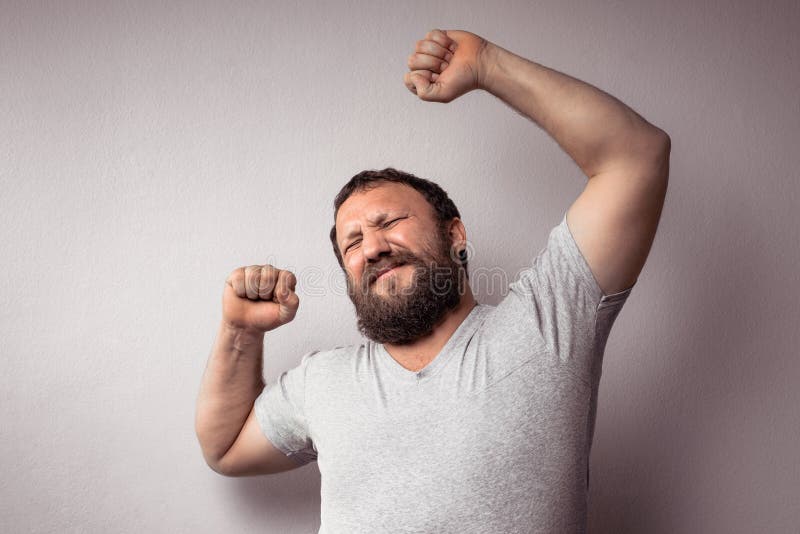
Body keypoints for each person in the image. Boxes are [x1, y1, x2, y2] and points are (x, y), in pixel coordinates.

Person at [195, 28, 670, 533]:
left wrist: (487, 64)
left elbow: (637, 156)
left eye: (389, 223)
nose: (372, 247)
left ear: (455, 234)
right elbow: (224, 448)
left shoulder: (546, 323)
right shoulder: (322, 383)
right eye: (352, 243)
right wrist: (240, 332)